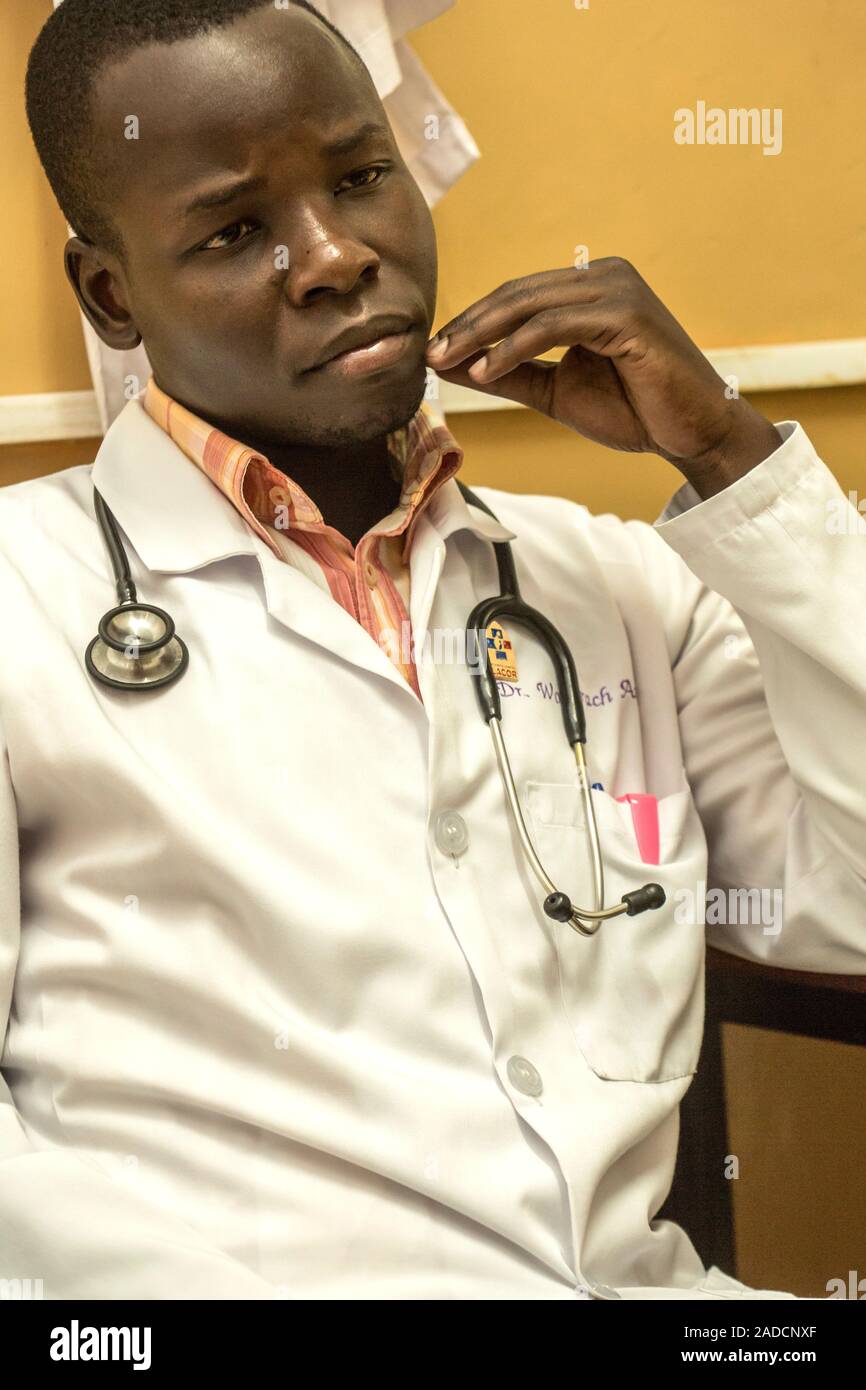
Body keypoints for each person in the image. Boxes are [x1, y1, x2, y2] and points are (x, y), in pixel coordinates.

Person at [3, 0, 863, 1300]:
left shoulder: (614, 579)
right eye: (237, 230)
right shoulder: (25, 593)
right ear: (112, 293)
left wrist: (731, 456)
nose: (336, 255)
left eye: (359, 177)